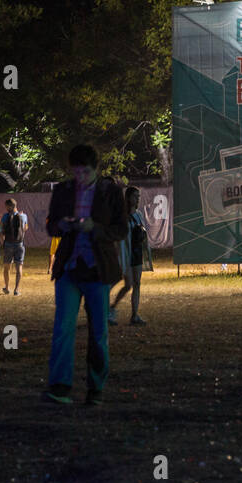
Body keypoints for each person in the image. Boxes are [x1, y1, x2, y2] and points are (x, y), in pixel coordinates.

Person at [43, 145, 127, 405]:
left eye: (85, 171)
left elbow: (121, 229)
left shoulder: (111, 192)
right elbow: (51, 226)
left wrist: (95, 228)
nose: (80, 176)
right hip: (69, 267)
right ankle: (59, 386)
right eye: (76, 171)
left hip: (97, 270)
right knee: (63, 328)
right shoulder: (63, 191)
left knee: (98, 332)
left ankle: (95, 387)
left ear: (96, 169)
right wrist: (62, 225)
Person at [110, 186, 150, 326]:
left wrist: (142, 236)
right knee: (127, 284)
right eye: (135, 196)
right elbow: (121, 237)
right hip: (126, 253)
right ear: (128, 198)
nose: (137, 199)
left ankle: (134, 315)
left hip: (136, 252)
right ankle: (111, 308)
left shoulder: (138, 215)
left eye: (138, 196)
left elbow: (142, 233)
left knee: (136, 284)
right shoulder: (123, 216)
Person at [0, 198, 28, 296]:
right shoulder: (23, 216)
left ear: (10, 206)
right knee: (19, 267)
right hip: (20, 244)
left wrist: (2, 241)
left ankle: (7, 288)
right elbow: (25, 229)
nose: (6, 208)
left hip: (8, 244)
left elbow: (0, 231)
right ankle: (16, 290)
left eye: (6, 207)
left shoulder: (5, 217)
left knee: (7, 266)